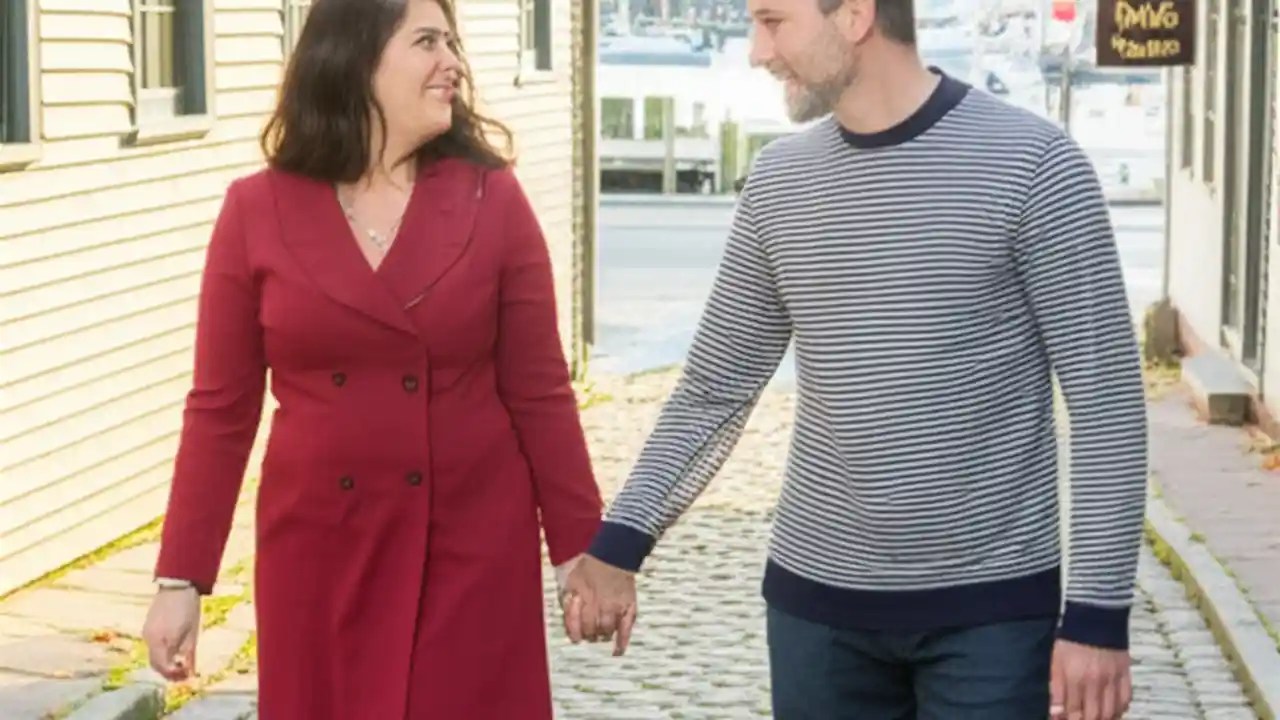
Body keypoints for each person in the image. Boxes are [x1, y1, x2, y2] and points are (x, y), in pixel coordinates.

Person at [562, 0, 1148, 718]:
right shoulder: (779, 184)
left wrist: (1097, 615)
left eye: (772, 21)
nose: (755, 51)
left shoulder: (1033, 165)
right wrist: (621, 544)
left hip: (990, 621)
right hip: (818, 621)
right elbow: (715, 388)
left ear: (856, 16)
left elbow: (1107, 403)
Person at [139, 0, 603, 717]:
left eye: (451, 41)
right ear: (356, 60)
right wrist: (180, 579)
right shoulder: (254, 212)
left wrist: (581, 550)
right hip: (321, 551)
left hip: (471, 547)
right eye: (426, 42)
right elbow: (220, 411)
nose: (452, 61)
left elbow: (540, 391)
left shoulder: (494, 200)